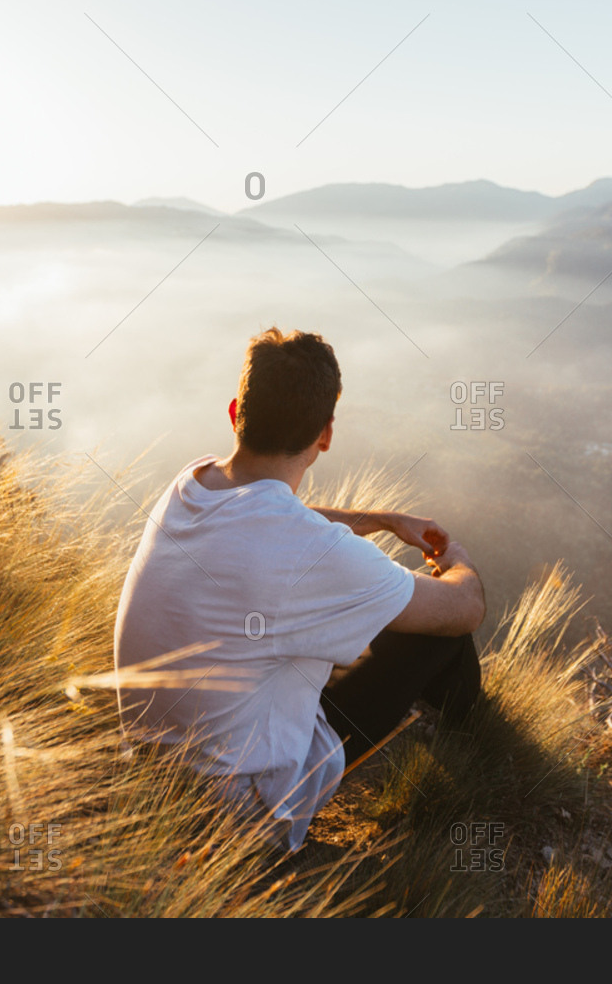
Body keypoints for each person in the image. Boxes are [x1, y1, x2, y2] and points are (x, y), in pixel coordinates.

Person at [113, 327, 486, 851]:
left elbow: (273, 521)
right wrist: (457, 561)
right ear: (326, 435)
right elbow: (464, 608)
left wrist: (379, 519)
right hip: (245, 815)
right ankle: (481, 745)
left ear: (234, 412)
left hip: (151, 780)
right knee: (438, 632)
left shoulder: (190, 484)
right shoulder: (311, 554)